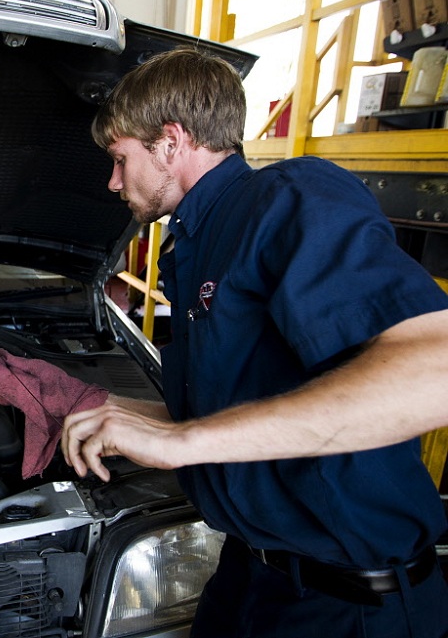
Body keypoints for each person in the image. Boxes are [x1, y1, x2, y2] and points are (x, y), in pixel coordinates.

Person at [60, 48, 448, 638]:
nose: (113, 182)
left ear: (171, 141)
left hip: (348, 603)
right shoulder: (193, 240)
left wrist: (182, 440)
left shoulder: (287, 200)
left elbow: (435, 372)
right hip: (249, 573)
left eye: (120, 160)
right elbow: (262, 395)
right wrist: (129, 415)